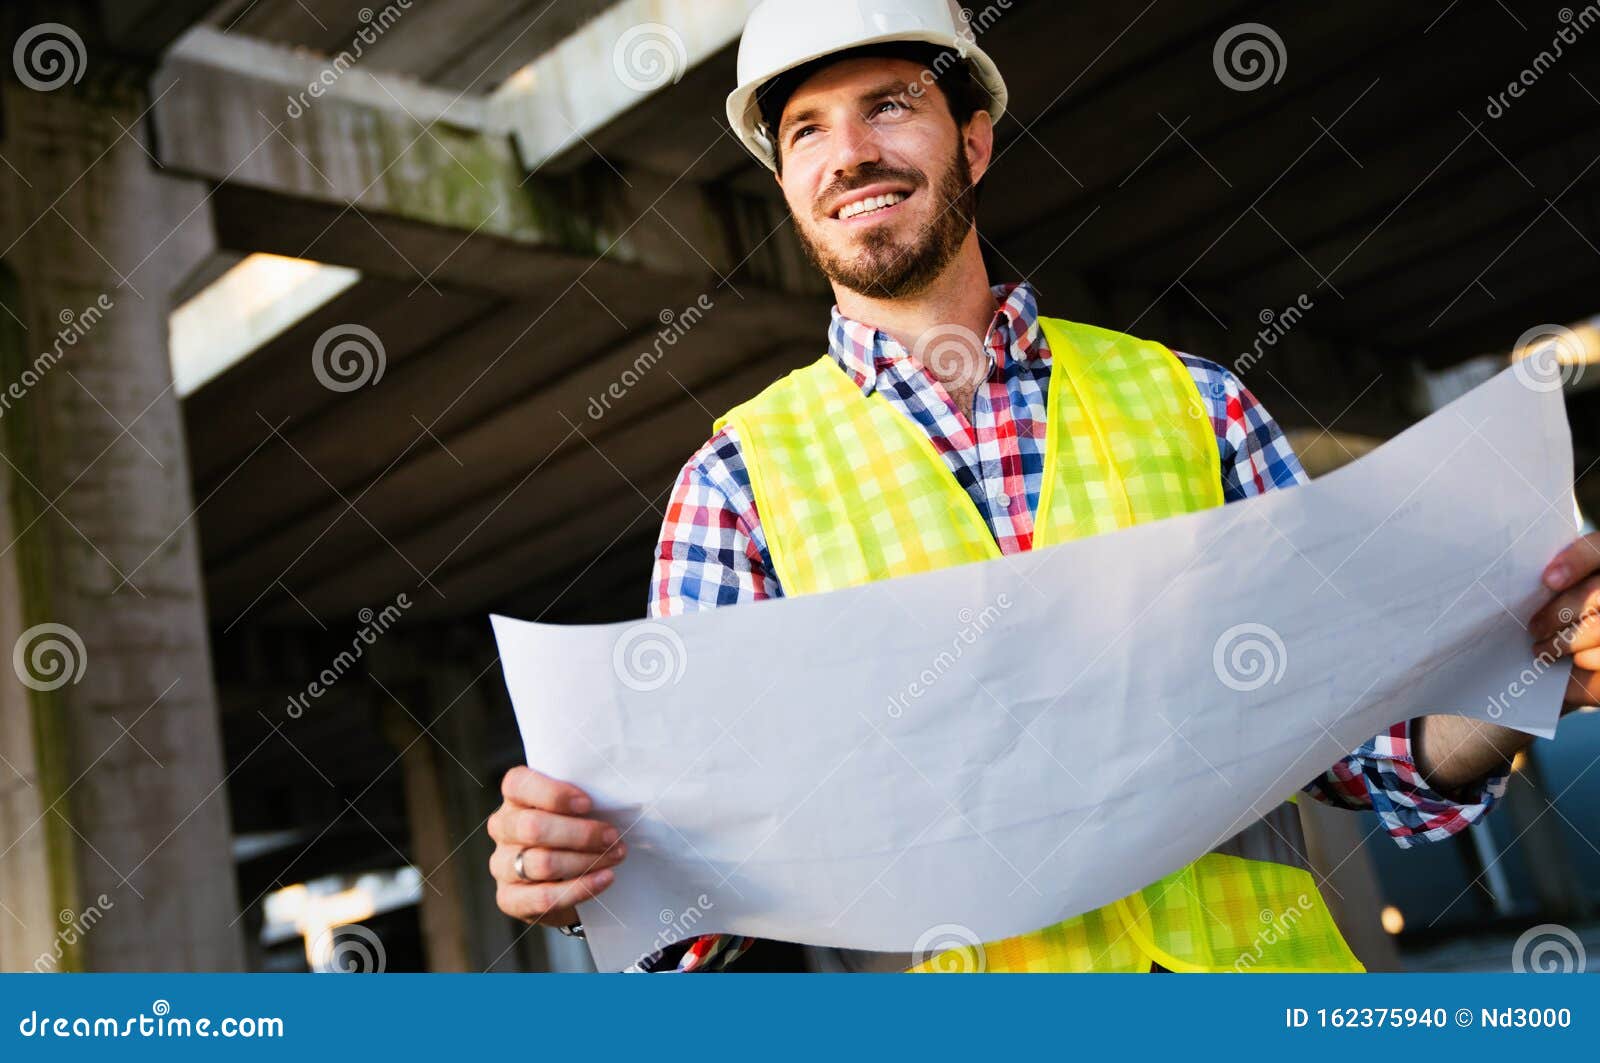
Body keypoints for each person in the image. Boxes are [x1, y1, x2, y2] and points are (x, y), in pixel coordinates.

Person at [487, 0, 1597, 971]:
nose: (849, 153)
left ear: (972, 141)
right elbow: (700, 895)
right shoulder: (735, 487)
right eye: (806, 131)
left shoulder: (1192, 404)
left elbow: (1368, 753)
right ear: (784, 182)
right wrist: (587, 874)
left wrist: (1522, 668)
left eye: (888, 106)